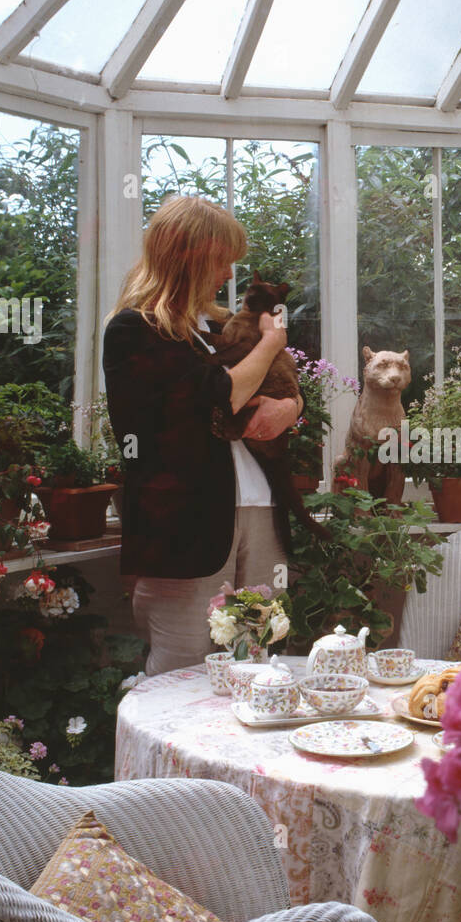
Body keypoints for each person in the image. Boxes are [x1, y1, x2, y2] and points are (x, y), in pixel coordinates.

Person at [103, 194, 303, 675]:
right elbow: (221, 395)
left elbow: (282, 385)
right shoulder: (136, 329)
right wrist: (273, 339)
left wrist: (291, 407)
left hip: (258, 507)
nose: (230, 275)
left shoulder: (213, 325)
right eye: (222, 261)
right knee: (181, 668)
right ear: (188, 255)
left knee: (255, 661)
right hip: (187, 525)